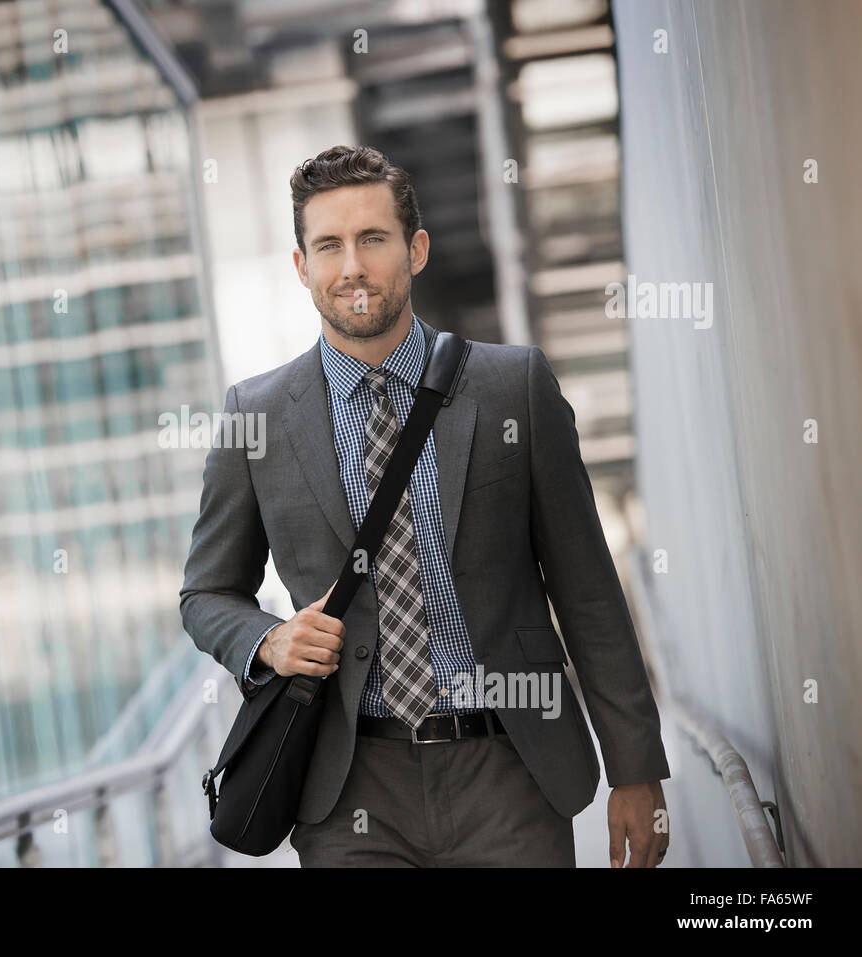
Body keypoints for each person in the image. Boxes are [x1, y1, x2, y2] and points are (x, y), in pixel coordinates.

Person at [179, 145, 671, 867]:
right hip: (349, 787)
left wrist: (635, 767)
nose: (352, 266)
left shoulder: (512, 386)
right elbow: (205, 593)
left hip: (508, 769)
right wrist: (269, 641)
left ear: (415, 250)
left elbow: (587, 587)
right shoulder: (256, 417)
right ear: (302, 267)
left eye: (372, 239)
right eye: (329, 246)